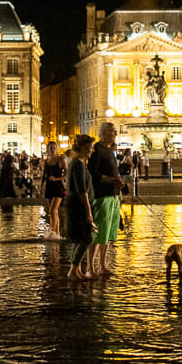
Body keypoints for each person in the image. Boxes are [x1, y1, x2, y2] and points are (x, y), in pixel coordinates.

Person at [89, 122, 123, 279]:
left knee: (108, 233)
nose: (115, 134)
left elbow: (112, 171)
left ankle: (102, 265)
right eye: (113, 131)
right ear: (103, 133)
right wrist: (111, 180)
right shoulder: (97, 150)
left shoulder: (110, 150)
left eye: (115, 132)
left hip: (113, 196)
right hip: (102, 196)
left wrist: (118, 181)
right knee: (99, 233)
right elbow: (93, 175)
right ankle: (91, 266)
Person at [63, 135, 96, 285]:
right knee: (87, 237)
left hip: (76, 204)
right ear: (83, 147)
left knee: (79, 237)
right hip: (78, 205)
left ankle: (76, 270)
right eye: (90, 147)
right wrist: (88, 212)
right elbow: (81, 190)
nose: (92, 150)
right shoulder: (77, 164)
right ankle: (73, 270)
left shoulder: (80, 163)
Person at [42, 143, 66, 239]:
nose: (52, 149)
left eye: (54, 148)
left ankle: (52, 231)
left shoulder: (60, 160)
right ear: (48, 149)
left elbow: (67, 173)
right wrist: (41, 187)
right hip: (49, 187)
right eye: (50, 148)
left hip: (58, 186)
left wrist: (56, 178)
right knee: (53, 212)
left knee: (53, 210)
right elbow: (44, 175)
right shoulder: (47, 161)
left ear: (56, 149)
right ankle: (57, 233)